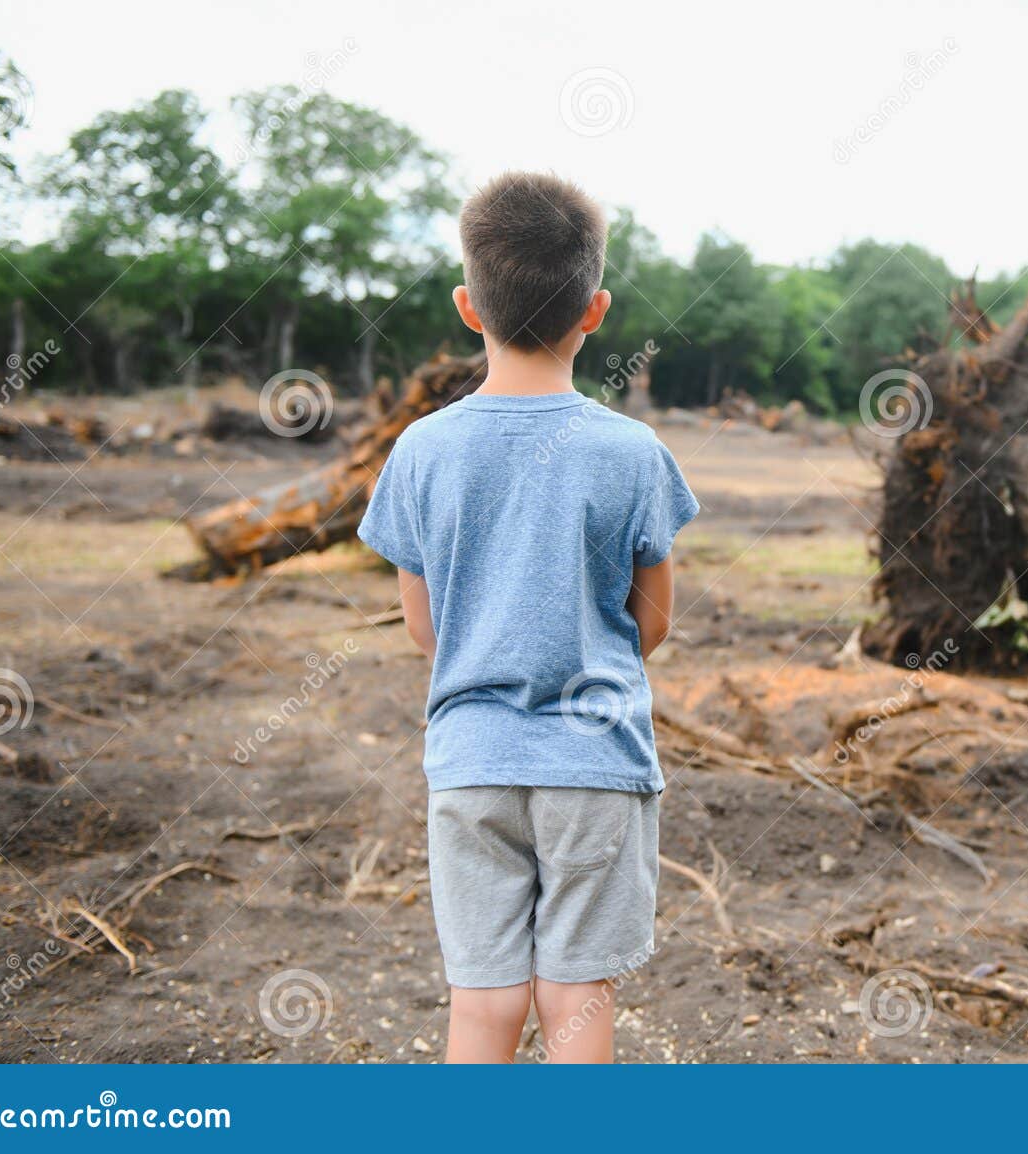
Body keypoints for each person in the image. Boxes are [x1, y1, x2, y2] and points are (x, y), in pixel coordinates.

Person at [357, 171, 698, 1063]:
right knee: (576, 994)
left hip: (470, 763)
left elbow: (426, 632)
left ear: (470, 307)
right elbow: (652, 622)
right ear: (596, 310)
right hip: (596, 758)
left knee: (484, 999)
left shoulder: (422, 450)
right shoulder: (633, 451)